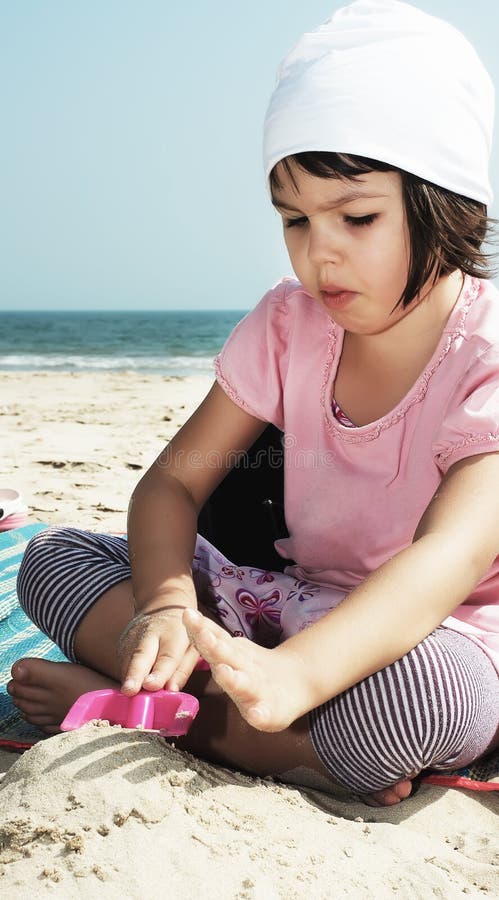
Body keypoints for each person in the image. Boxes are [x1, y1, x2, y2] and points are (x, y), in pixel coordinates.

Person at [8, 0, 499, 807]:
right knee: (52, 560)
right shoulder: (288, 323)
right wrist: (164, 607)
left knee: (422, 702)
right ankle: (267, 734)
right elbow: (173, 484)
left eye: (357, 216)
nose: (319, 251)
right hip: (285, 604)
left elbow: (443, 558)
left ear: (449, 204)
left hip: (428, 631)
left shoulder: (484, 354)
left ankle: (151, 715)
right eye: (294, 219)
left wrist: (300, 673)